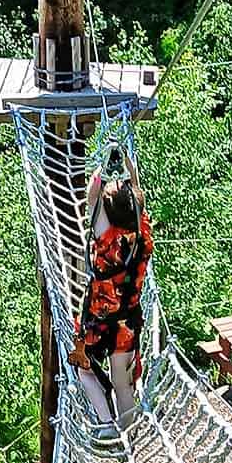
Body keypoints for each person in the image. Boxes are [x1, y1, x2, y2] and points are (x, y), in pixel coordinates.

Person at [68, 150, 153, 433]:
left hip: (98, 318)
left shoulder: (105, 236)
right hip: (127, 319)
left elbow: (92, 195)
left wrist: (105, 166)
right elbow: (135, 196)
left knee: (83, 366)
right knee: (122, 381)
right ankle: (129, 430)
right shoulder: (141, 233)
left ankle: (106, 423)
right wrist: (129, 167)